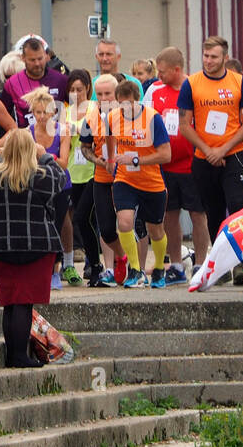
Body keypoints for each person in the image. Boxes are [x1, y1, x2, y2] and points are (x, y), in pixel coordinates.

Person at [0, 129, 68, 368]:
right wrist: (45, 154)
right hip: (35, 245)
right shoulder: (41, 176)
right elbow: (61, 177)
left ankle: (13, 354)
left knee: (10, 301)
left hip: (0, 245)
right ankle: (19, 356)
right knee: (24, 302)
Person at [178, 35, 243, 286]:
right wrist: (208, 150)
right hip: (204, 157)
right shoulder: (191, 84)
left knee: (236, 208)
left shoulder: (239, 83)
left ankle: (240, 265)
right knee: (213, 212)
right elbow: (184, 124)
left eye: (213, 56)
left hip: (234, 155)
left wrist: (222, 150)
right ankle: (221, 265)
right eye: (205, 56)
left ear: (225, 58)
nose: (208, 61)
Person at [146, 47, 205, 283]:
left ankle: (201, 263)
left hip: (192, 165)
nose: (158, 76)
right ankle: (177, 265)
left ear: (177, 69)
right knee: (169, 216)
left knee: (198, 214)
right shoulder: (155, 90)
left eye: (162, 72)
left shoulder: (194, 88)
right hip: (166, 166)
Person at [106, 79, 172, 288]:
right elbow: (110, 138)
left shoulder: (152, 119)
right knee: (124, 222)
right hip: (124, 179)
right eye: (121, 104)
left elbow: (166, 155)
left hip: (151, 181)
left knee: (156, 230)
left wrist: (136, 160)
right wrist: (110, 159)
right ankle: (135, 270)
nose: (125, 109)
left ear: (138, 101)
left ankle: (159, 268)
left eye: (129, 104)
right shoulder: (112, 117)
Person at [26, 87, 79, 287]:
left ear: (53, 112)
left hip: (60, 184)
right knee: (39, 228)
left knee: (56, 227)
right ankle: (40, 270)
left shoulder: (62, 130)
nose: (41, 117)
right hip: (37, 185)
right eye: (37, 112)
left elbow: (64, 162)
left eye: (45, 112)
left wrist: (42, 154)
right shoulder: (27, 132)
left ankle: (55, 270)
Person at [79, 74, 123, 286]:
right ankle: (112, 265)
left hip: (126, 179)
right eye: (100, 94)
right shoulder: (91, 117)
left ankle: (132, 267)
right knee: (105, 228)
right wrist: (98, 161)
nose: (104, 98)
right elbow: (85, 147)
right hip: (102, 177)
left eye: (109, 94)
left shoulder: (127, 115)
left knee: (128, 224)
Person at [63, 70, 102, 284]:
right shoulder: (65, 111)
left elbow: (94, 131)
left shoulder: (95, 109)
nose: (76, 93)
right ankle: (70, 263)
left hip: (91, 171)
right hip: (71, 172)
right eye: (72, 89)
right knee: (71, 218)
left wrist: (75, 128)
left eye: (79, 89)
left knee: (87, 218)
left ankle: (93, 262)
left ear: (88, 88)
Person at [5, 37, 68, 127]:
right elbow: (2, 117)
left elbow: (77, 109)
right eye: (32, 60)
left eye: (40, 58)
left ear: (46, 56)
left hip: (56, 138)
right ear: (23, 58)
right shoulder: (12, 84)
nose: (37, 63)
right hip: (26, 139)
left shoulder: (61, 80)